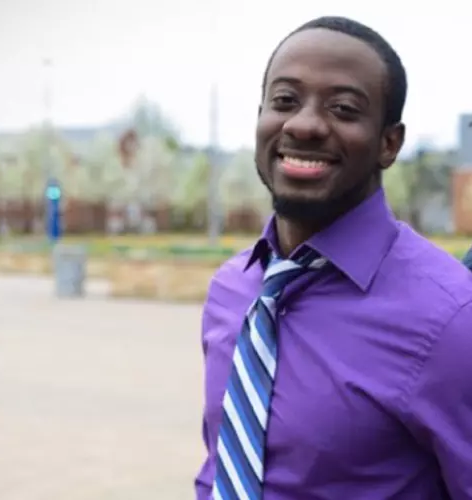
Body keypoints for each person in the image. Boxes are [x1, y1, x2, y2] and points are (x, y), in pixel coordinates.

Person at [194, 15, 472, 500]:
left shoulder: (451, 320)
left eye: (343, 108)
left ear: (390, 143)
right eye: (284, 101)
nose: (303, 124)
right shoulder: (232, 288)